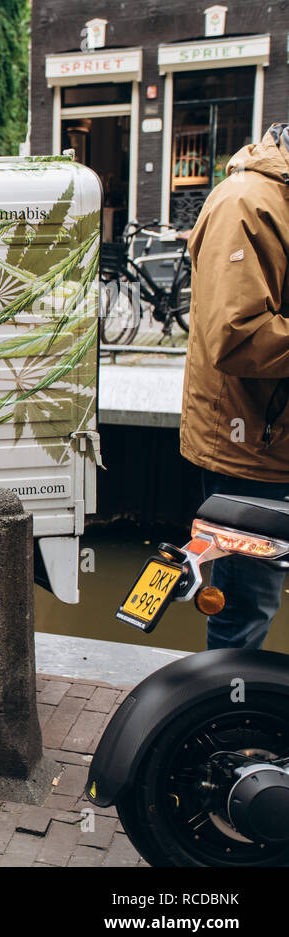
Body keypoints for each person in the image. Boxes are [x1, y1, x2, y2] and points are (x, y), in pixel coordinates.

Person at [181, 122, 289, 650]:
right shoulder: (247, 202)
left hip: (274, 441)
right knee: (243, 611)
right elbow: (237, 336)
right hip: (254, 452)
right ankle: (226, 724)